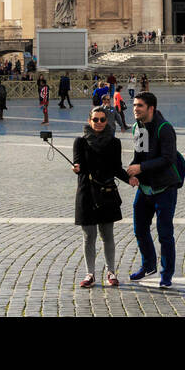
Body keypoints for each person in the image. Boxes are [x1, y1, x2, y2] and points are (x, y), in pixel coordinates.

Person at [127, 92, 182, 289]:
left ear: (150, 108)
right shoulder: (137, 127)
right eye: (134, 105)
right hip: (145, 188)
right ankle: (149, 265)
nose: (135, 109)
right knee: (139, 229)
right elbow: (139, 156)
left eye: (139, 106)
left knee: (165, 233)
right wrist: (132, 173)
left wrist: (141, 168)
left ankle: (166, 274)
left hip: (165, 188)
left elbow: (168, 159)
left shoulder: (164, 129)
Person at [72, 107, 127, 288]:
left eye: (103, 119)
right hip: (87, 192)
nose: (99, 123)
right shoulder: (80, 142)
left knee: (107, 234)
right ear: (89, 121)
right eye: (95, 119)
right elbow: (77, 163)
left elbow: (117, 168)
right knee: (89, 236)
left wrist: (131, 179)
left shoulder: (114, 143)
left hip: (106, 192)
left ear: (107, 121)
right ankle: (90, 274)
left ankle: (110, 271)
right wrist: (76, 168)